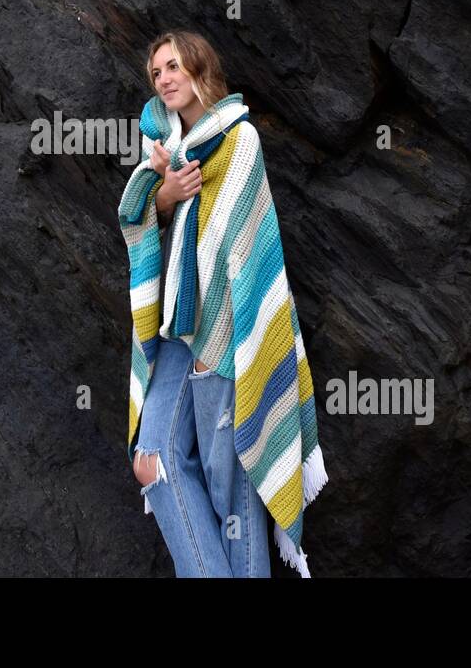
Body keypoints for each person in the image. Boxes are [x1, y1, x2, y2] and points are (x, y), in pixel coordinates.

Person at [121, 30, 327, 577]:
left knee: (230, 488)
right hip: (174, 332)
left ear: (197, 68)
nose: (163, 79)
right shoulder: (165, 150)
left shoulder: (239, 141)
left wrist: (224, 344)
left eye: (172, 67)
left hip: (227, 336)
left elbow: (246, 247)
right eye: (155, 72)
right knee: (153, 462)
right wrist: (165, 192)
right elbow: (144, 225)